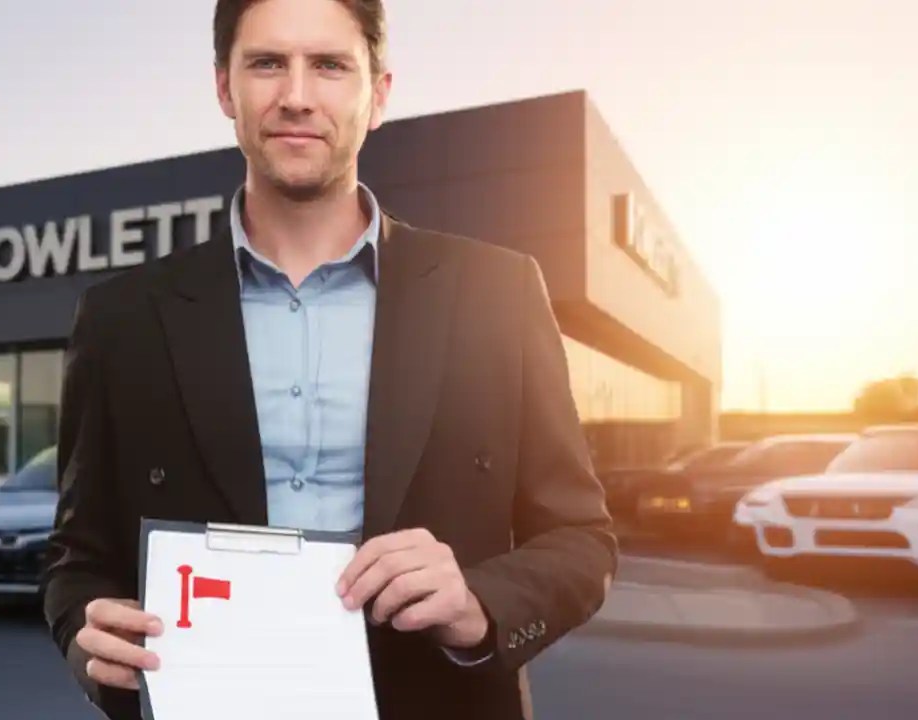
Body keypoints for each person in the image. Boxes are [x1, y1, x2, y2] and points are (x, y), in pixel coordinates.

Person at [40, 1, 618, 718]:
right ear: (224, 87)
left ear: (378, 94)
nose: (297, 95)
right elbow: (76, 556)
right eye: (266, 63)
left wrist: (480, 604)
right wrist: (86, 633)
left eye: (330, 65)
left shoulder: (498, 293)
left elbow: (580, 539)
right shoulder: (121, 318)